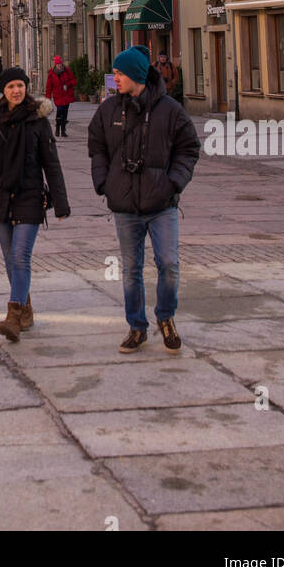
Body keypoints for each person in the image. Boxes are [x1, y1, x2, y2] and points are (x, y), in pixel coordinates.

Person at [88, 44, 200, 354]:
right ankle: (137, 327)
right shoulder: (108, 110)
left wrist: (173, 183)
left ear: (137, 75)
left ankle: (165, 316)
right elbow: (97, 146)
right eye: (115, 72)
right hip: (124, 204)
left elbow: (189, 148)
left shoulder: (170, 110)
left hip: (161, 203)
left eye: (120, 73)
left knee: (169, 263)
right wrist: (104, 183)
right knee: (130, 270)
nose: (115, 78)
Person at [0, 66, 70, 343]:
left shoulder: (38, 120)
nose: (16, 91)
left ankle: (13, 315)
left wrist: (61, 202)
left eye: (20, 86)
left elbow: (51, 163)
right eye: (10, 87)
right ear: (3, 91)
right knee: (10, 260)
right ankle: (26, 308)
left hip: (30, 195)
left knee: (20, 256)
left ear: (26, 87)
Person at [45, 56, 76, 138]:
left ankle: (63, 130)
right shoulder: (51, 73)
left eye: (60, 64)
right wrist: (47, 98)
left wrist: (67, 85)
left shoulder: (67, 70)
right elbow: (49, 87)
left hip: (66, 95)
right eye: (58, 64)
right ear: (55, 65)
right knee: (60, 110)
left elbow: (74, 81)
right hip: (58, 96)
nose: (59, 66)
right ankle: (57, 128)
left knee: (65, 113)